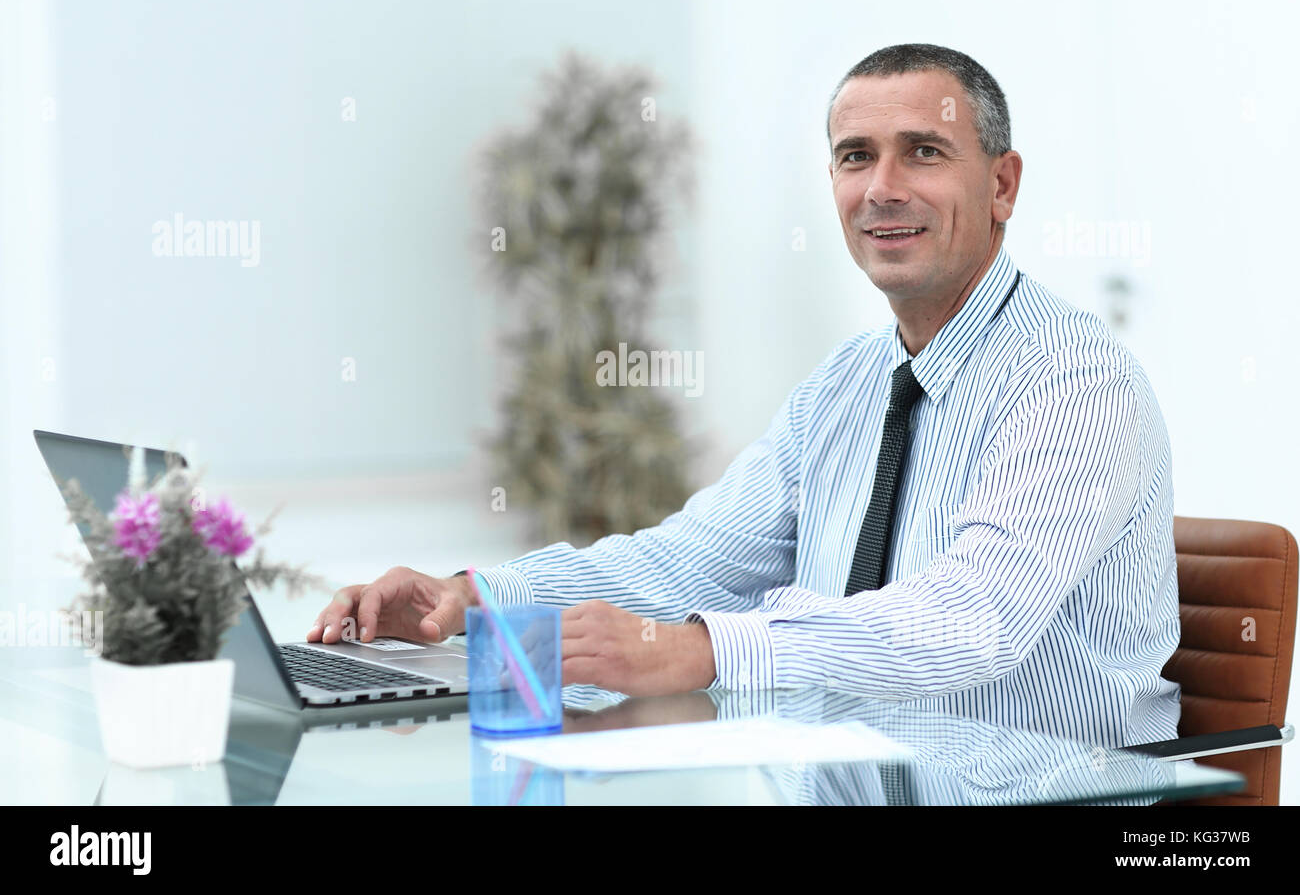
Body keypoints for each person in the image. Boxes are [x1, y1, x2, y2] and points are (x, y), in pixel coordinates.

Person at [308, 44, 1180, 746]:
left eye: (924, 151)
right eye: (854, 157)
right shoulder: (844, 386)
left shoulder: (1076, 382)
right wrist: (483, 595)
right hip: (845, 776)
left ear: (1001, 186)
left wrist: (701, 648)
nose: (882, 187)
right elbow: (688, 561)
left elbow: (967, 620)